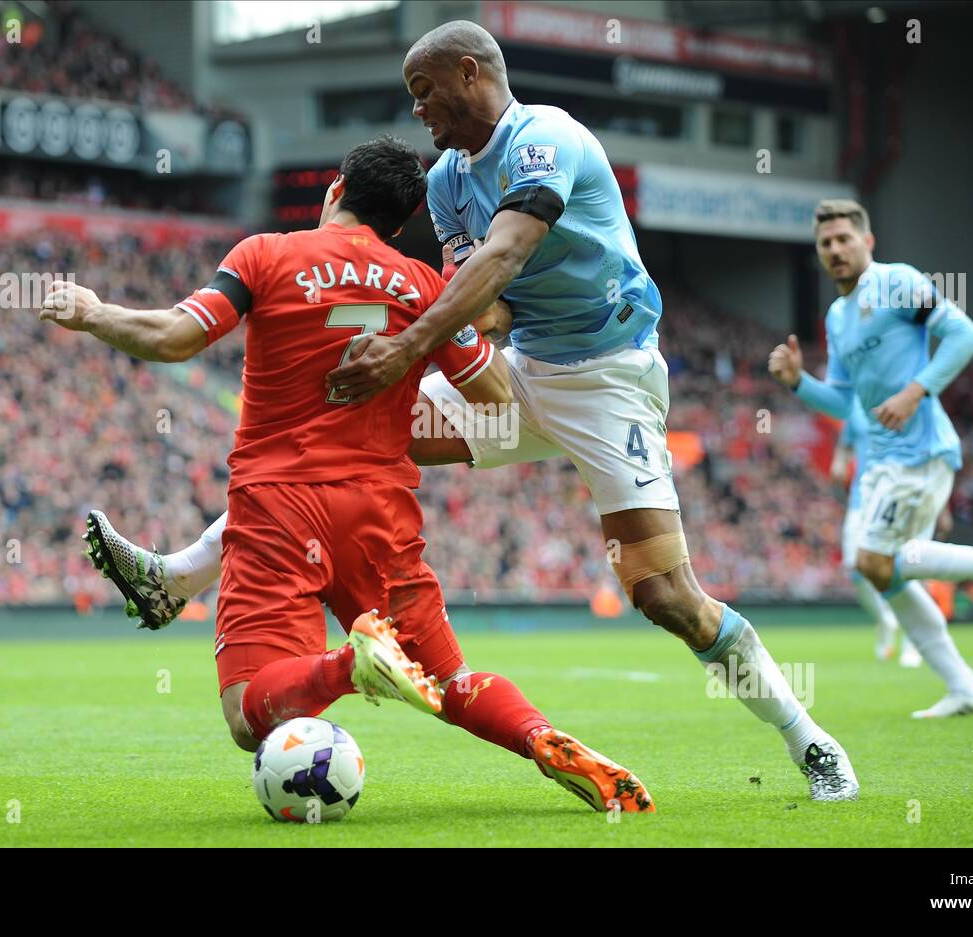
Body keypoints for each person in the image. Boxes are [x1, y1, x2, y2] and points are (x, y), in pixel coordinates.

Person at [94, 23, 859, 801]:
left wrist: (404, 348)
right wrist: (420, 335)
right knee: (339, 436)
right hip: (515, 377)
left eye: (425, 92)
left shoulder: (544, 137)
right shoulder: (451, 181)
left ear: (470, 72)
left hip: (608, 382)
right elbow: (481, 301)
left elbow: (505, 256)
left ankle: (811, 741)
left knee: (668, 599)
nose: (418, 111)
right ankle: (177, 576)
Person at [41, 135, 654, 813]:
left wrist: (93, 313)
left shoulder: (265, 255)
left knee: (253, 714)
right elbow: (499, 401)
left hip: (277, 511)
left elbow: (175, 338)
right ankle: (538, 736)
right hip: (380, 517)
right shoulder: (425, 288)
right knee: (451, 682)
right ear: (398, 223)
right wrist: (477, 328)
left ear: (336, 188)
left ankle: (349, 663)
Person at [769, 199, 973, 719]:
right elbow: (844, 401)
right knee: (885, 571)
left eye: (844, 239)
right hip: (882, 461)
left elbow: (965, 335)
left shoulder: (897, 283)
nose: (835, 249)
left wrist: (915, 392)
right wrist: (798, 383)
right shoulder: (837, 317)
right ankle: (966, 688)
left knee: (875, 562)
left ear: (868, 241)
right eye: (825, 243)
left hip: (920, 451)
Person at [832, 399, 922, 666]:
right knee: (855, 568)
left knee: (906, 567)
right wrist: (839, 462)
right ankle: (885, 619)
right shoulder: (856, 408)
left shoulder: (904, 400)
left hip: (898, 497)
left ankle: (912, 641)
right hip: (862, 499)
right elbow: (845, 444)